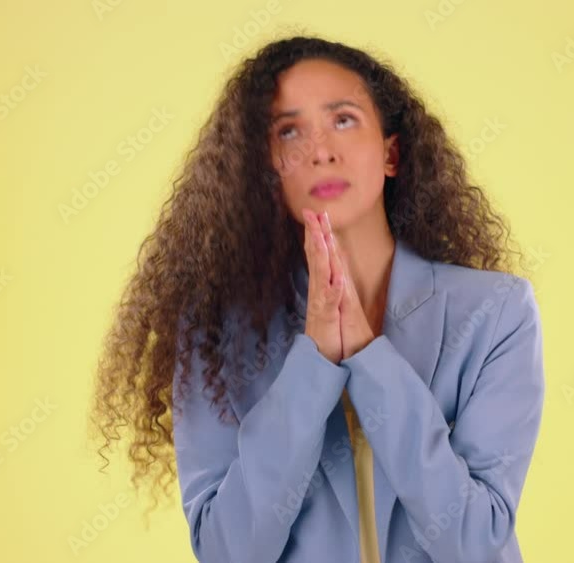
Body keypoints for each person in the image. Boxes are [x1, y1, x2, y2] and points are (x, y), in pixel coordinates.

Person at [90, 35, 545, 563]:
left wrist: (370, 359)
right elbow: (229, 552)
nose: (319, 150)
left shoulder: (497, 312)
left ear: (391, 153)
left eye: (343, 120)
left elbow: (476, 544)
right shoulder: (213, 332)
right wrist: (313, 362)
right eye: (290, 131)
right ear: (267, 174)